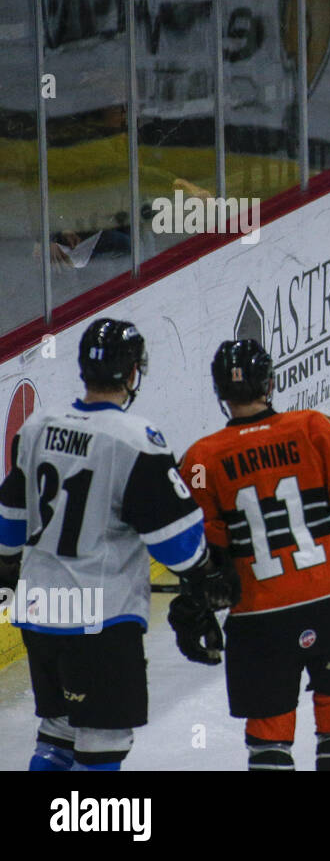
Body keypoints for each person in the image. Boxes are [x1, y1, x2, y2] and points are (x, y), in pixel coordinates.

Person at [0, 318, 232, 771]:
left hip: (39, 609)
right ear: (132, 374)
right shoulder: (135, 440)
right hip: (99, 616)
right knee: (101, 745)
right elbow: (176, 542)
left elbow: (9, 519)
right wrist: (206, 575)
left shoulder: (36, 427)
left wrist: (7, 568)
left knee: (58, 734)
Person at [175, 339, 330, 770]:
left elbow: (203, 552)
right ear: (270, 382)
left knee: (269, 738)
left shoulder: (200, 460)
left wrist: (196, 602)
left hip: (261, 617)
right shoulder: (319, 429)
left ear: (219, 391)